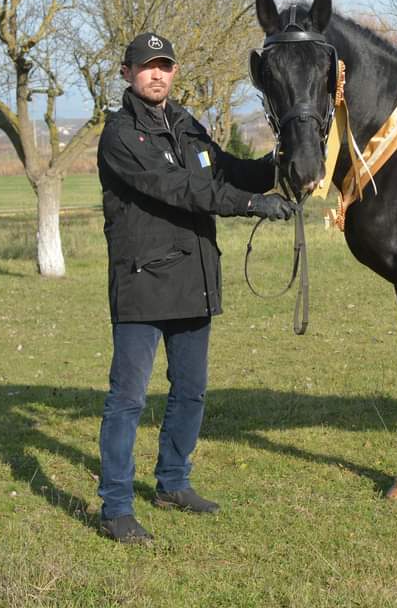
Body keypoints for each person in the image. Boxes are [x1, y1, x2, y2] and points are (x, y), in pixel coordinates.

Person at [95, 32, 295, 544]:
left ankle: (172, 483)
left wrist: (283, 164)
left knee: (190, 392)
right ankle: (116, 507)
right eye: (146, 67)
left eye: (164, 65)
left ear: (174, 72)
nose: (156, 74)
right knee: (128, 400)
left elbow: (227, 171)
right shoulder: (121, 136)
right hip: (142, 285)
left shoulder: (187, 126)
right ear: (127, 74)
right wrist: (252, 207)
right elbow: (181, 189)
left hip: (193, 281)